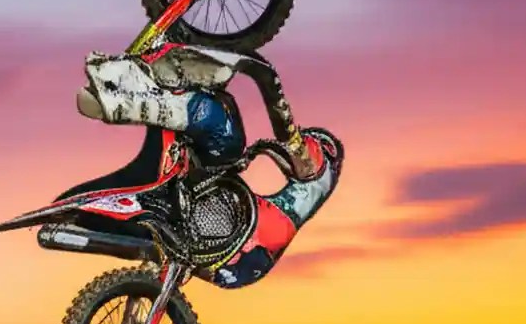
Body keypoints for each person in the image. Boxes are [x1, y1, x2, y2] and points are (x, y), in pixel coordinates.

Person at [73, 42, 344, 288]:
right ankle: (134, 321)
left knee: (224, 127)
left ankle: (125, 101)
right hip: (223, 255)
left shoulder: (320, 169)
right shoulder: (292, 203)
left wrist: (286, 134)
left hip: (234, 237)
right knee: (162, 217)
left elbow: (297, 151)